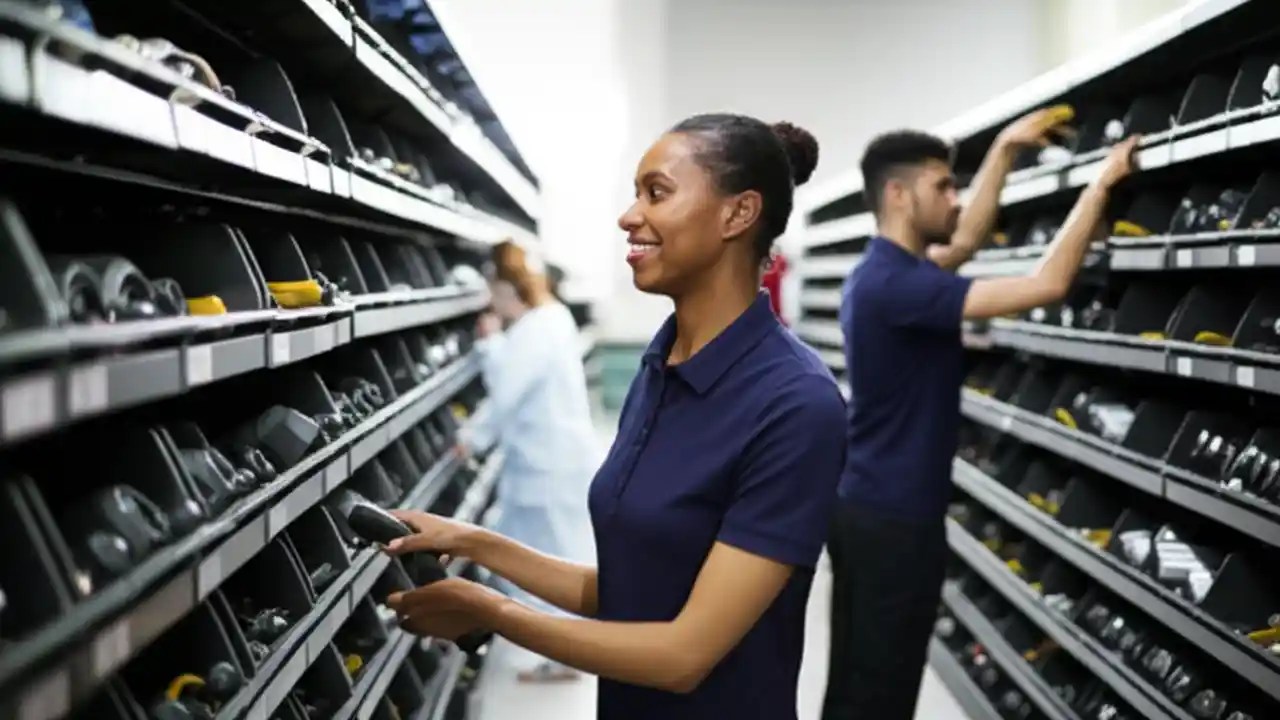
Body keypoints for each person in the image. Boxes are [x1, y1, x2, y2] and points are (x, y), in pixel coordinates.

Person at [384, 113, 846, 719]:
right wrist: (475, 543)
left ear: (738, 214)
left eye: (657, 193)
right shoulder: (661, 365)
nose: (629, 216)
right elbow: (629, 590)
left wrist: (492, 611)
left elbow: (684, 655)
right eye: (635, 194)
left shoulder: (795, 403)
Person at [820, 109, 1141, 720]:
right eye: (942, 186)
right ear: (897, 193)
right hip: (893, 519)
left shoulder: (885, 273)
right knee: (879, 688)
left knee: (861, 674)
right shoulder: (902, 287)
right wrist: (1100, 185)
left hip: (869, 507)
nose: (955, 197)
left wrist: (1004, 150)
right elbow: (1047, 283)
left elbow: (966, 240)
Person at [458, 240, 600, 682]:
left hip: (548, 464)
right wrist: (495, 344)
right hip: (552, 459)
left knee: (547, 561)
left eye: (493, 290)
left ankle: (566, 655)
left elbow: (507, 392)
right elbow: (516, 373)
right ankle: (563, 651)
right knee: (547, 554)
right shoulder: (550, 319)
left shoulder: (536, 328)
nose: (493, 301)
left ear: (506, 286)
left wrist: (471, 437)